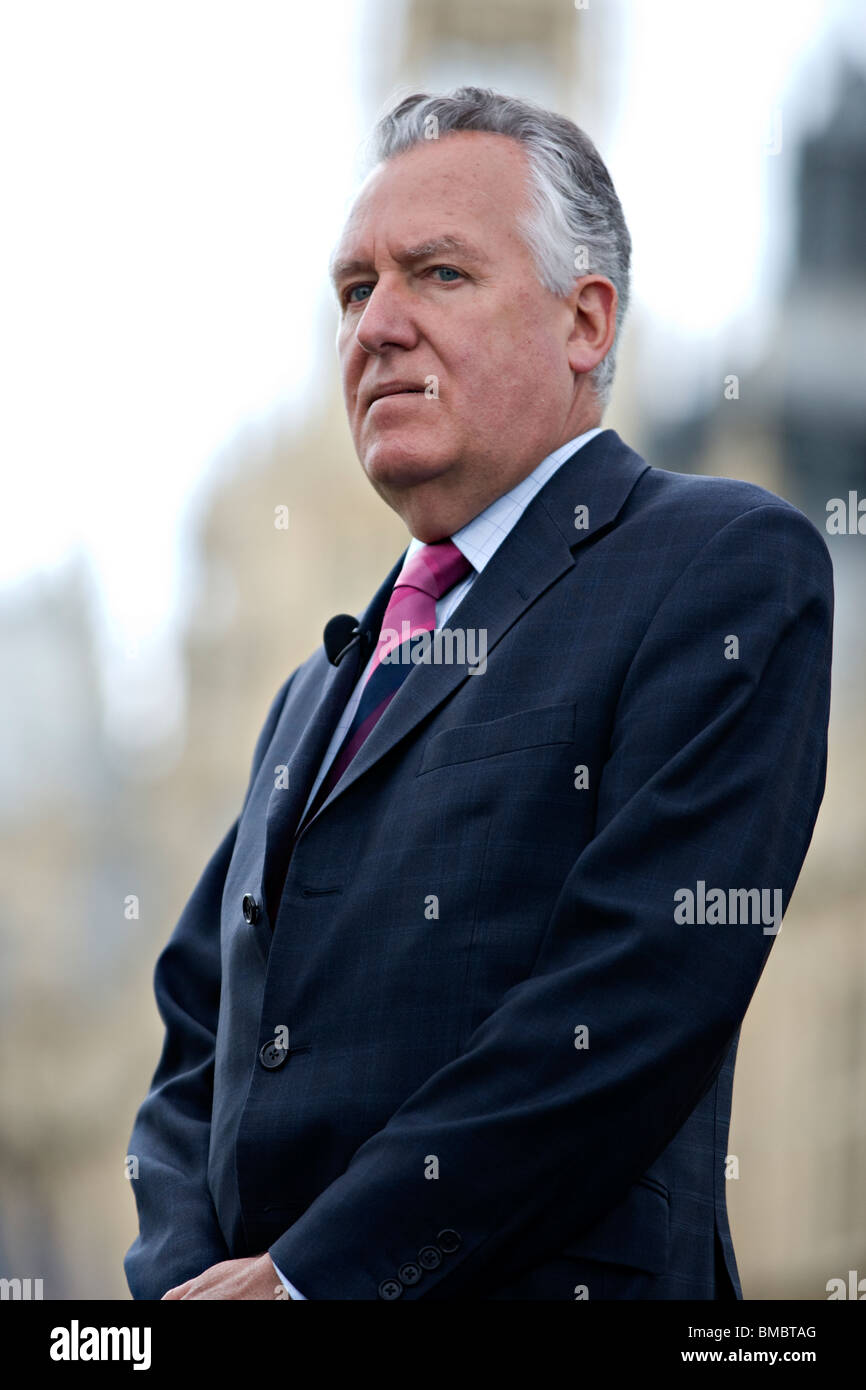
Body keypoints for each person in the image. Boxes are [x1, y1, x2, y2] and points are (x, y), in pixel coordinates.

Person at [124, 86, 833, 1301]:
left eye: (438, 275)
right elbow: (197, 1035)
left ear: (584, 320)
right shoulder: (314, 690)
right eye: (354, 291)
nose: (376, 327)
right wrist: (188, 1280)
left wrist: (308, 1280)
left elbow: (627, 1005)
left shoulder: (716, 564)